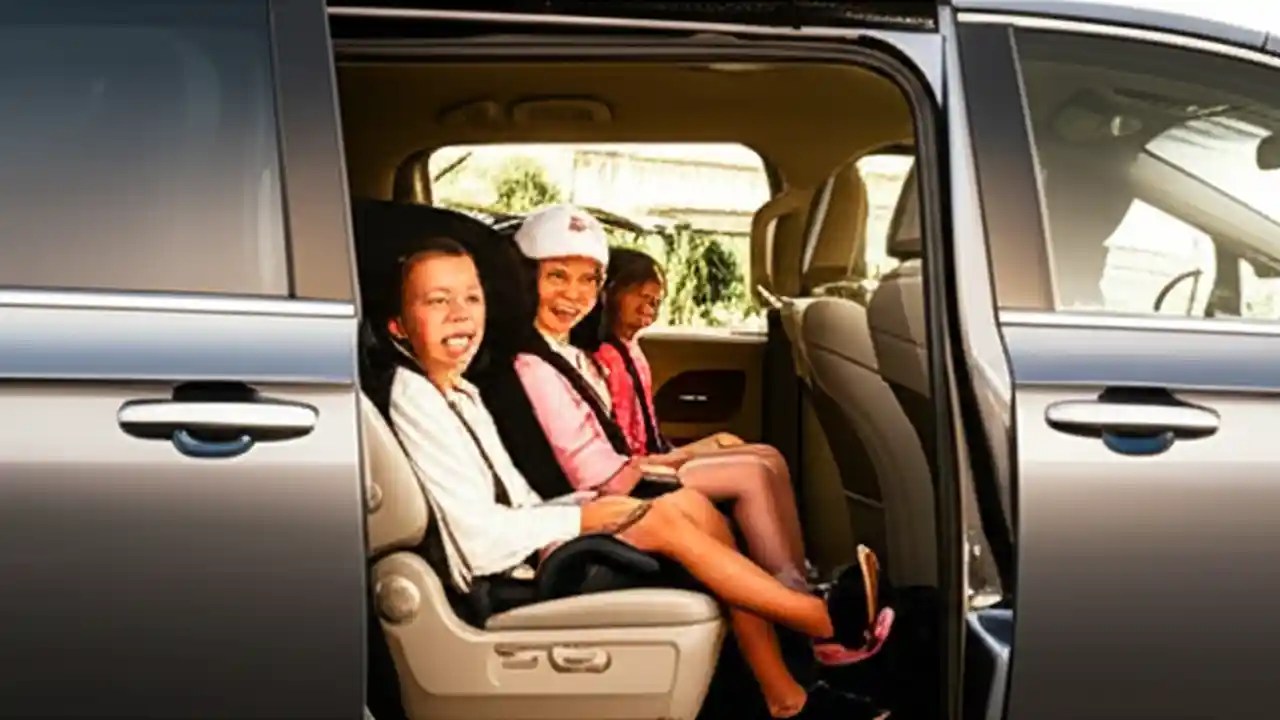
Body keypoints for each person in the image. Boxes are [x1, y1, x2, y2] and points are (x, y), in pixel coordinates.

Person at [376, 235, 891, 719]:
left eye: (472, 298)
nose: (460, 313)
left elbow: (519, 497)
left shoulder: (459, 391)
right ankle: (821, 619)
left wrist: (581, 507)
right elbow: (476, 542)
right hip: (503, 577)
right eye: (437, 301)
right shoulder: (414, 400)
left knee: (688, 506)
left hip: (528, 544)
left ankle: (784, 694)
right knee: (662, 519)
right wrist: (584, 518)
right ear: (398, 324)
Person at [581, 246, 809, 582]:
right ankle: (785, 581)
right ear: (609, 292)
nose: (649, 308)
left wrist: (671, 452)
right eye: (640, 297)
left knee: (765, 455)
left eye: (655, 301)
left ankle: (800, 568)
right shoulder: (602, 358)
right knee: (754, 472)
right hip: (633, 469)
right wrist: (666, 460)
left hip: (648, 456)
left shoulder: (631, 350)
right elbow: (620, 441)